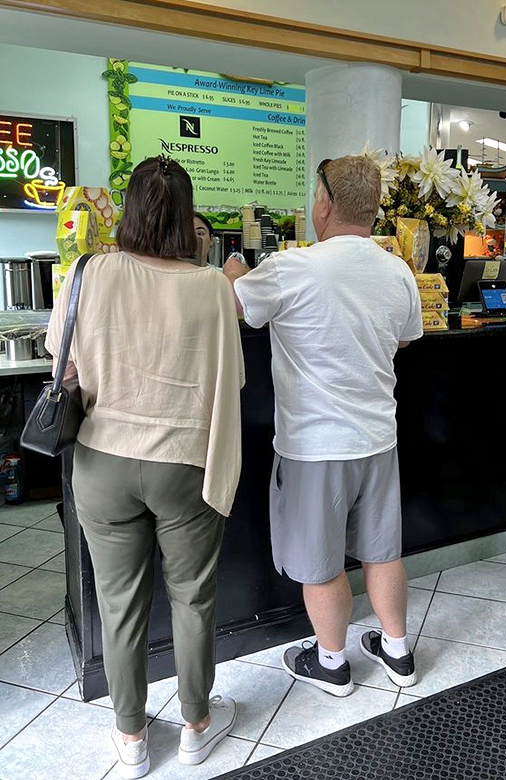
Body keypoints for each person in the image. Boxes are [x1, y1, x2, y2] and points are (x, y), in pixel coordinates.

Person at [46, 156, 245, 778]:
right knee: (191, 598)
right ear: (189, 219)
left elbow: (62, 359)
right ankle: (195, 726)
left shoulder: (88, 271)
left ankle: (131, 738)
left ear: (127, 211)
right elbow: (232, 379)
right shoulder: (212, 286)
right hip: (184, 466)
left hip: (102, 463)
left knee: (119, 603)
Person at [224, 155, 423, 696]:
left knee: (321, 562)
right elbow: (406, 338)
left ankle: (332, 663)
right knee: (383, 552)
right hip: (379, 440)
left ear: (325, 204)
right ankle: (397, 652)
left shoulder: (294, 268)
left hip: (315, 447)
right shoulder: (398, 270)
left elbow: (236, 304)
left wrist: (236, 271)